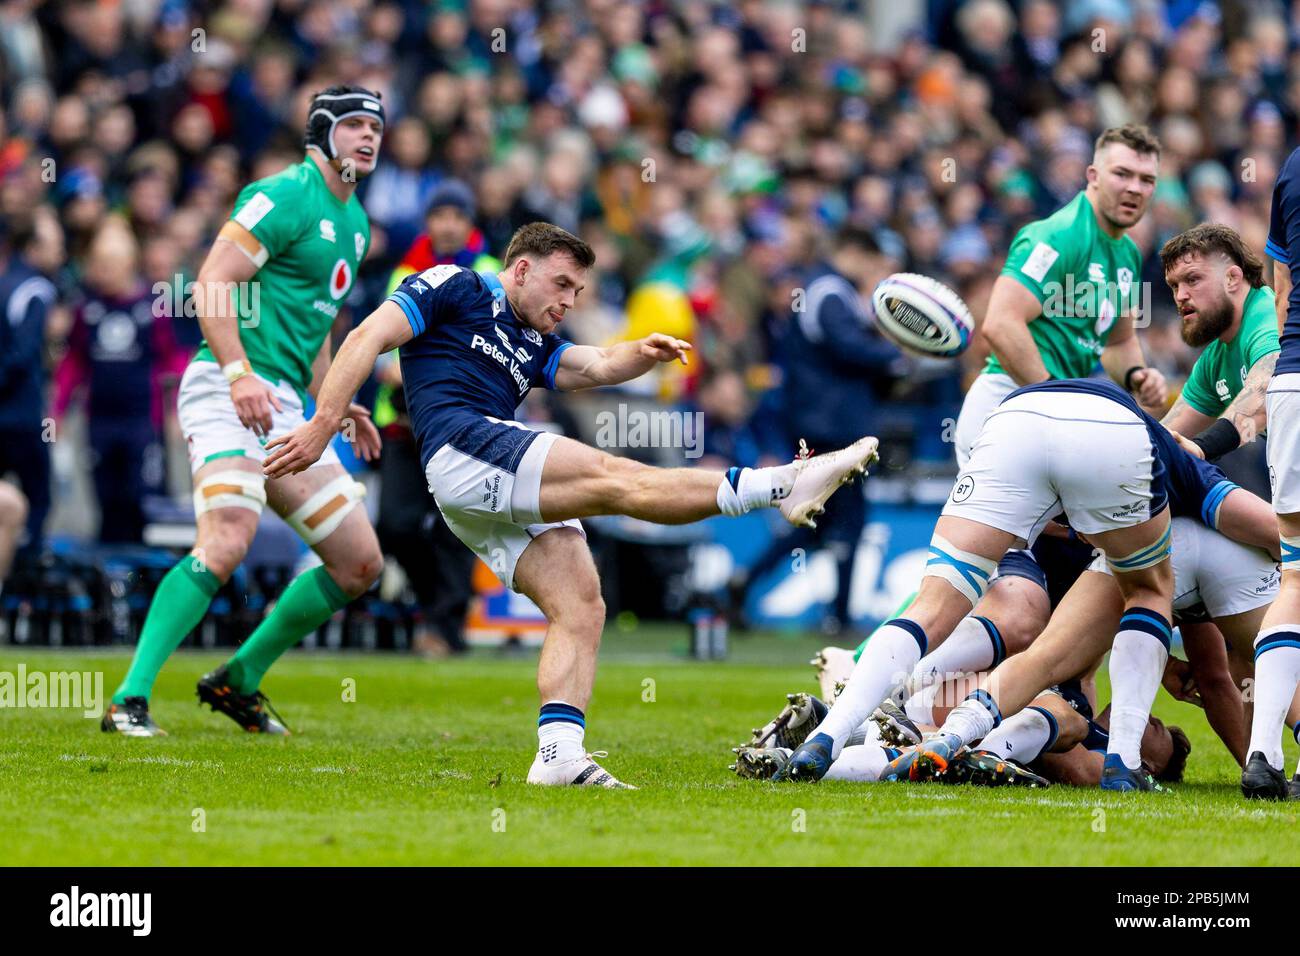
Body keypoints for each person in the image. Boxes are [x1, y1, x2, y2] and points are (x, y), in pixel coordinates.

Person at [262, 221, 880, 788]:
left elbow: (597, 363)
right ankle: (781, 486)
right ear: (522, 269)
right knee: (618, 478)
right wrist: (323, 423)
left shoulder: (533, 339)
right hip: (462, 444)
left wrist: (641, 351)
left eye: (579, 291)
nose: (568, 300)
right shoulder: (455, 285)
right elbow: (367, 334)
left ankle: (558, 755)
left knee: (580, 601)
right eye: (561, 283)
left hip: (471, 485)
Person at [101, 86, 387, 737]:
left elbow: (318, 333)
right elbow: (211, 282)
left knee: (358, 563)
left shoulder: (357, 225)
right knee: (228, 536)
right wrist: (238, 375)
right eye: (354, 125)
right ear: (322, 133)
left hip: (285, 402)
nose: (369, 137)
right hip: (227, 386)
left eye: (376, 126)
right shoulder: (284, 193)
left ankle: (238, 680)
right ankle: (128, 699)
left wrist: (335, 406)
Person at [375, 179, 500, 657]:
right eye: (440, 216)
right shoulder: (404, 270)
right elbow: (382, 335)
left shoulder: (491, 272)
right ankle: (436, 610)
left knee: (456, 529)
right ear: (428, 222)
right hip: (404, 425)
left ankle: (445, 631)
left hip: (464, 421)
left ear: (468, 225)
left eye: (456, 216)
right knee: (395, 525)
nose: (447, 225)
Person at [54, 218, 189, 543]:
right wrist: (58, 410)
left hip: (142, 420)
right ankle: (108, 569)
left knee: (143, 495)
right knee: (105, 495)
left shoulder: (152, 308)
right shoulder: (87, 309)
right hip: (99, 420)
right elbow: (74, 362)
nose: (103, 271)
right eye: (98, 264)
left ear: (129, 264)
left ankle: (145, 571)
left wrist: (175, 411)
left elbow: (175, 359)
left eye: (111, 264)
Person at [1242, 143, 1300, 798]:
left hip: (1292, 383)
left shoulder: (1290, 166)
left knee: (1296, 576)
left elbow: (1280, 293)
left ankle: (1264, 756)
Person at [0, 207, 62, 555]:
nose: (61, 251)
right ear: (33, 248)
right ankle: (23, 571)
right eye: (55, 243)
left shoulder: (5, 282)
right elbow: (22, 355)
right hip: (21, 417)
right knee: (38, 500)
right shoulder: (36, 289)